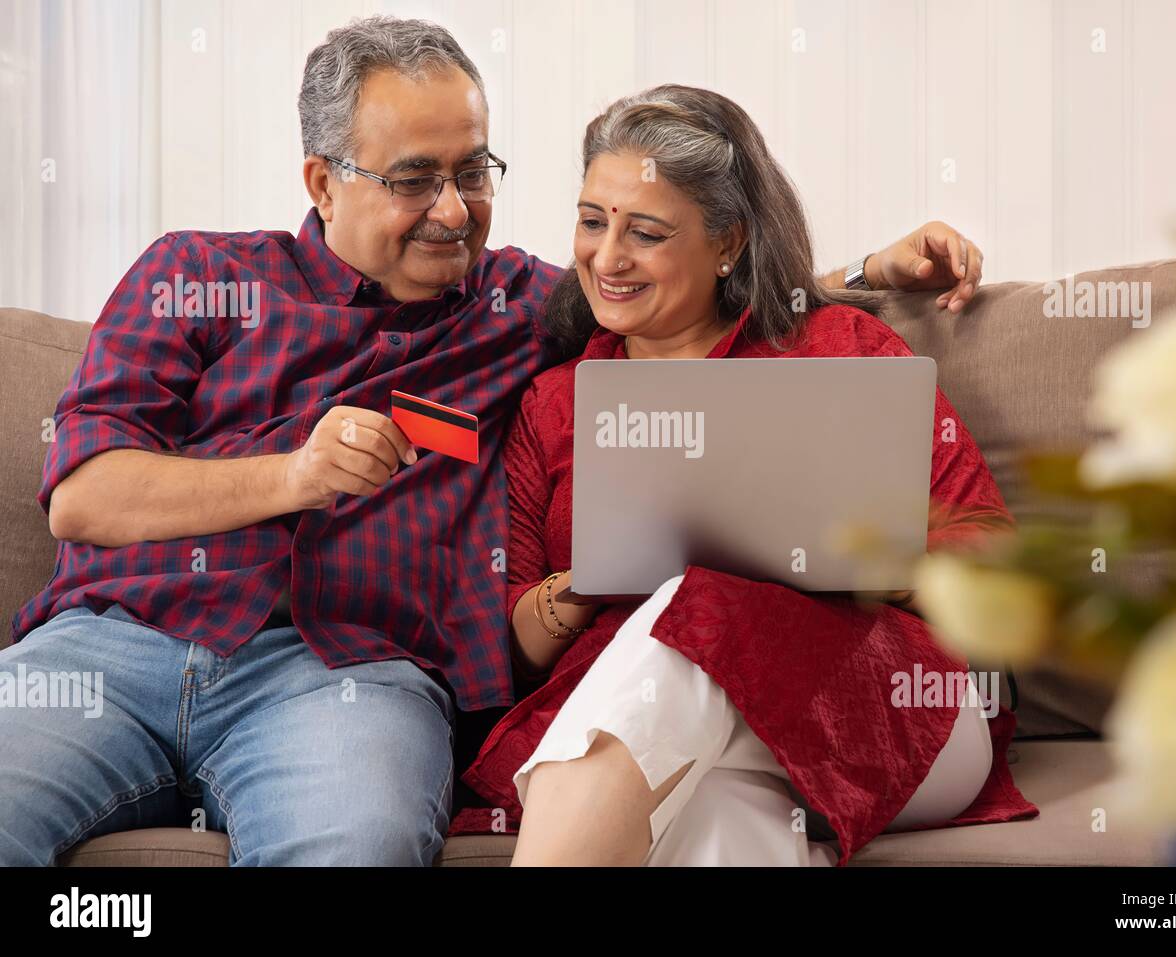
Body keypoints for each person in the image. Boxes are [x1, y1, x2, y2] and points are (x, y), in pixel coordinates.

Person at [0, 16, 988, 866]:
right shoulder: (198, 275)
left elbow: (690, 273)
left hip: (348, 677)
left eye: (474, 171)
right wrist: (291, 475)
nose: (452, 208)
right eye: (413, 178)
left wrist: (863, 269)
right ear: (322, 179)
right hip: (111, 647)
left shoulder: (515, 306)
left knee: (361, 845)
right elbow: (86, 492)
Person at [457, 85, 1037, 866]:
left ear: (728, 242)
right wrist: (590, 577)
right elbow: (516, 642)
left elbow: (1002, 572)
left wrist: (869, 564)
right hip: (682, 742)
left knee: (695, 602)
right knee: (721, 826)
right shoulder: (555, 403)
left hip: (894, 711)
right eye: (593, 221)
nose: (607, 256)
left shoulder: (840, 351)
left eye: (648, 232)